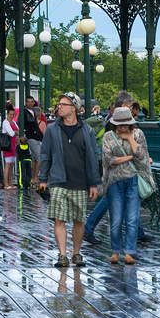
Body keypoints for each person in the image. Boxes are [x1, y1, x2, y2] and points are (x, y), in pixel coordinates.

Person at [38, 93, 101, 267]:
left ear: (74, 108)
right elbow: (45, 155)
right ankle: (62, 255)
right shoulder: (52, 129)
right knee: (59, 219)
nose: (59, 107)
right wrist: (43, 178)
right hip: (58, 180)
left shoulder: (87, 130)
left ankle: (76, 253)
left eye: (63, 104)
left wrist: (94, 183)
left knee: (79, 220)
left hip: (80, 181)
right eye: (59, 104)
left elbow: (92, 158)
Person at [93, 106, 149, 265]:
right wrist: (131, 157)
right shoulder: (109, 137)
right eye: (119, 124)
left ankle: (130, 252)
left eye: (125, 124)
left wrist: (130, 139)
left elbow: (143, 156)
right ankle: (116, 251)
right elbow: (108, 160)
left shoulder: (138, 134)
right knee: (116, 219)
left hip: (133, 180)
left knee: (132, 218)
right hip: (114, 181)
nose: (122, 127)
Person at [22, 96, 46, 188]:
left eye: (32, 102)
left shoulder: (33, 112)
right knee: (38, 157)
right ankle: (35, 178)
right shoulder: (25, 112)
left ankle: (34, 177)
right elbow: (26, 124)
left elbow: (35, 125)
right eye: (28, 102)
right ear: (26, 103)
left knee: (35, 158)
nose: (30, 103)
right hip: (31, 137)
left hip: (37, 137)